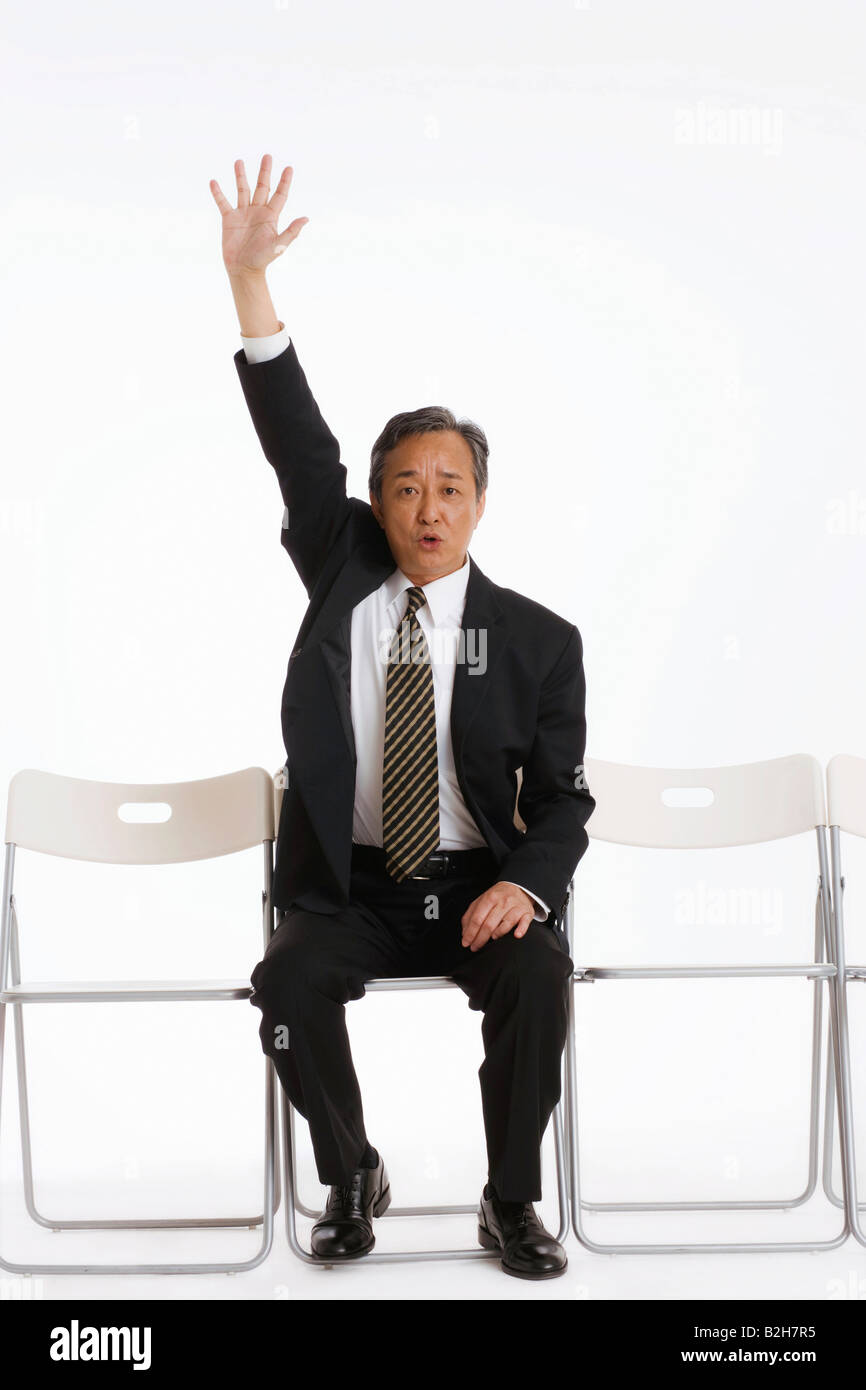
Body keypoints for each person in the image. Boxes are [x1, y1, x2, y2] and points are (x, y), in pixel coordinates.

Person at [209, 153, 596, 1280]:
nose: (427, 508)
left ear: (480, 502)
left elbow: (566, 797)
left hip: (480, 887)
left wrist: (525, 884)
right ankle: (350, 1172)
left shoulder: (537, 639)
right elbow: (295, 438)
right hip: (354, 883)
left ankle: (511, 1199)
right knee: (282, 985)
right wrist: (248, 285)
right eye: (404, 488)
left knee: (537, 975)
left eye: (449, 487)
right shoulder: (340, 569)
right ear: (375, 505)